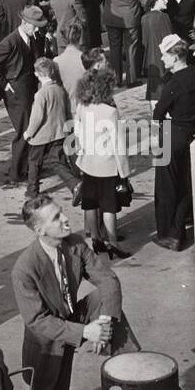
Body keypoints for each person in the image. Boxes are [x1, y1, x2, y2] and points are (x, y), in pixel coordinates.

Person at [11, 196, 135, 390]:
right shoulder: (24, 269)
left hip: (72, 316)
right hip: (47, 344)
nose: (66, 219)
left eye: (62, 213)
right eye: (55, 218)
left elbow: (108, 279)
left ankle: (133, 380)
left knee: (107, 307)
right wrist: (84, 333)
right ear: (40, 230)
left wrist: (103, 322)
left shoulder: (76, 244)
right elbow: (37, 321)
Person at [151, 39, 195, 251]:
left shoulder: (173, 83)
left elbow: (158, 113)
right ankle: (179, 229)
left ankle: (166, 234)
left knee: (165, 187)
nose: (162, 59)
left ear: (175, 56)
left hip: (171, 133)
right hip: (194, 134)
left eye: (165, 55)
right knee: (187, 184)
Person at [0, 5, 50, 187]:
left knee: (31, 125)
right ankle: (16, 172)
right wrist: (4, 84)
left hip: (29, 87)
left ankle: (27, 167)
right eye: (34, 25)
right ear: (25, 22)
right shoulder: (10, 42)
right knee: (24, 129)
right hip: (16, 90)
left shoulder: (32, 38)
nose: (37, 29)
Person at [72, 66, 132, 259]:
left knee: (90, 202)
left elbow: (78, 132)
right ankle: (113, 242)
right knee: (108, 206)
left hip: (88, 162)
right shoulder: (110, 112)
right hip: (107, 165)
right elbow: (118, 144)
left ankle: (95, 239)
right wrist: (124, 172)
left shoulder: (82, 106)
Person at [23, 57, 81, 204]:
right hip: (59, 133)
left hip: (41, 136)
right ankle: (74, 184)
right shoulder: (60, 90)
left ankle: (32, 190)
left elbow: (37, 118)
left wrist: (28, 133)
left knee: (34, 162)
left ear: (37, 74)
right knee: (58, 162)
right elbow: (67, 111)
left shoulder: (41, 94)